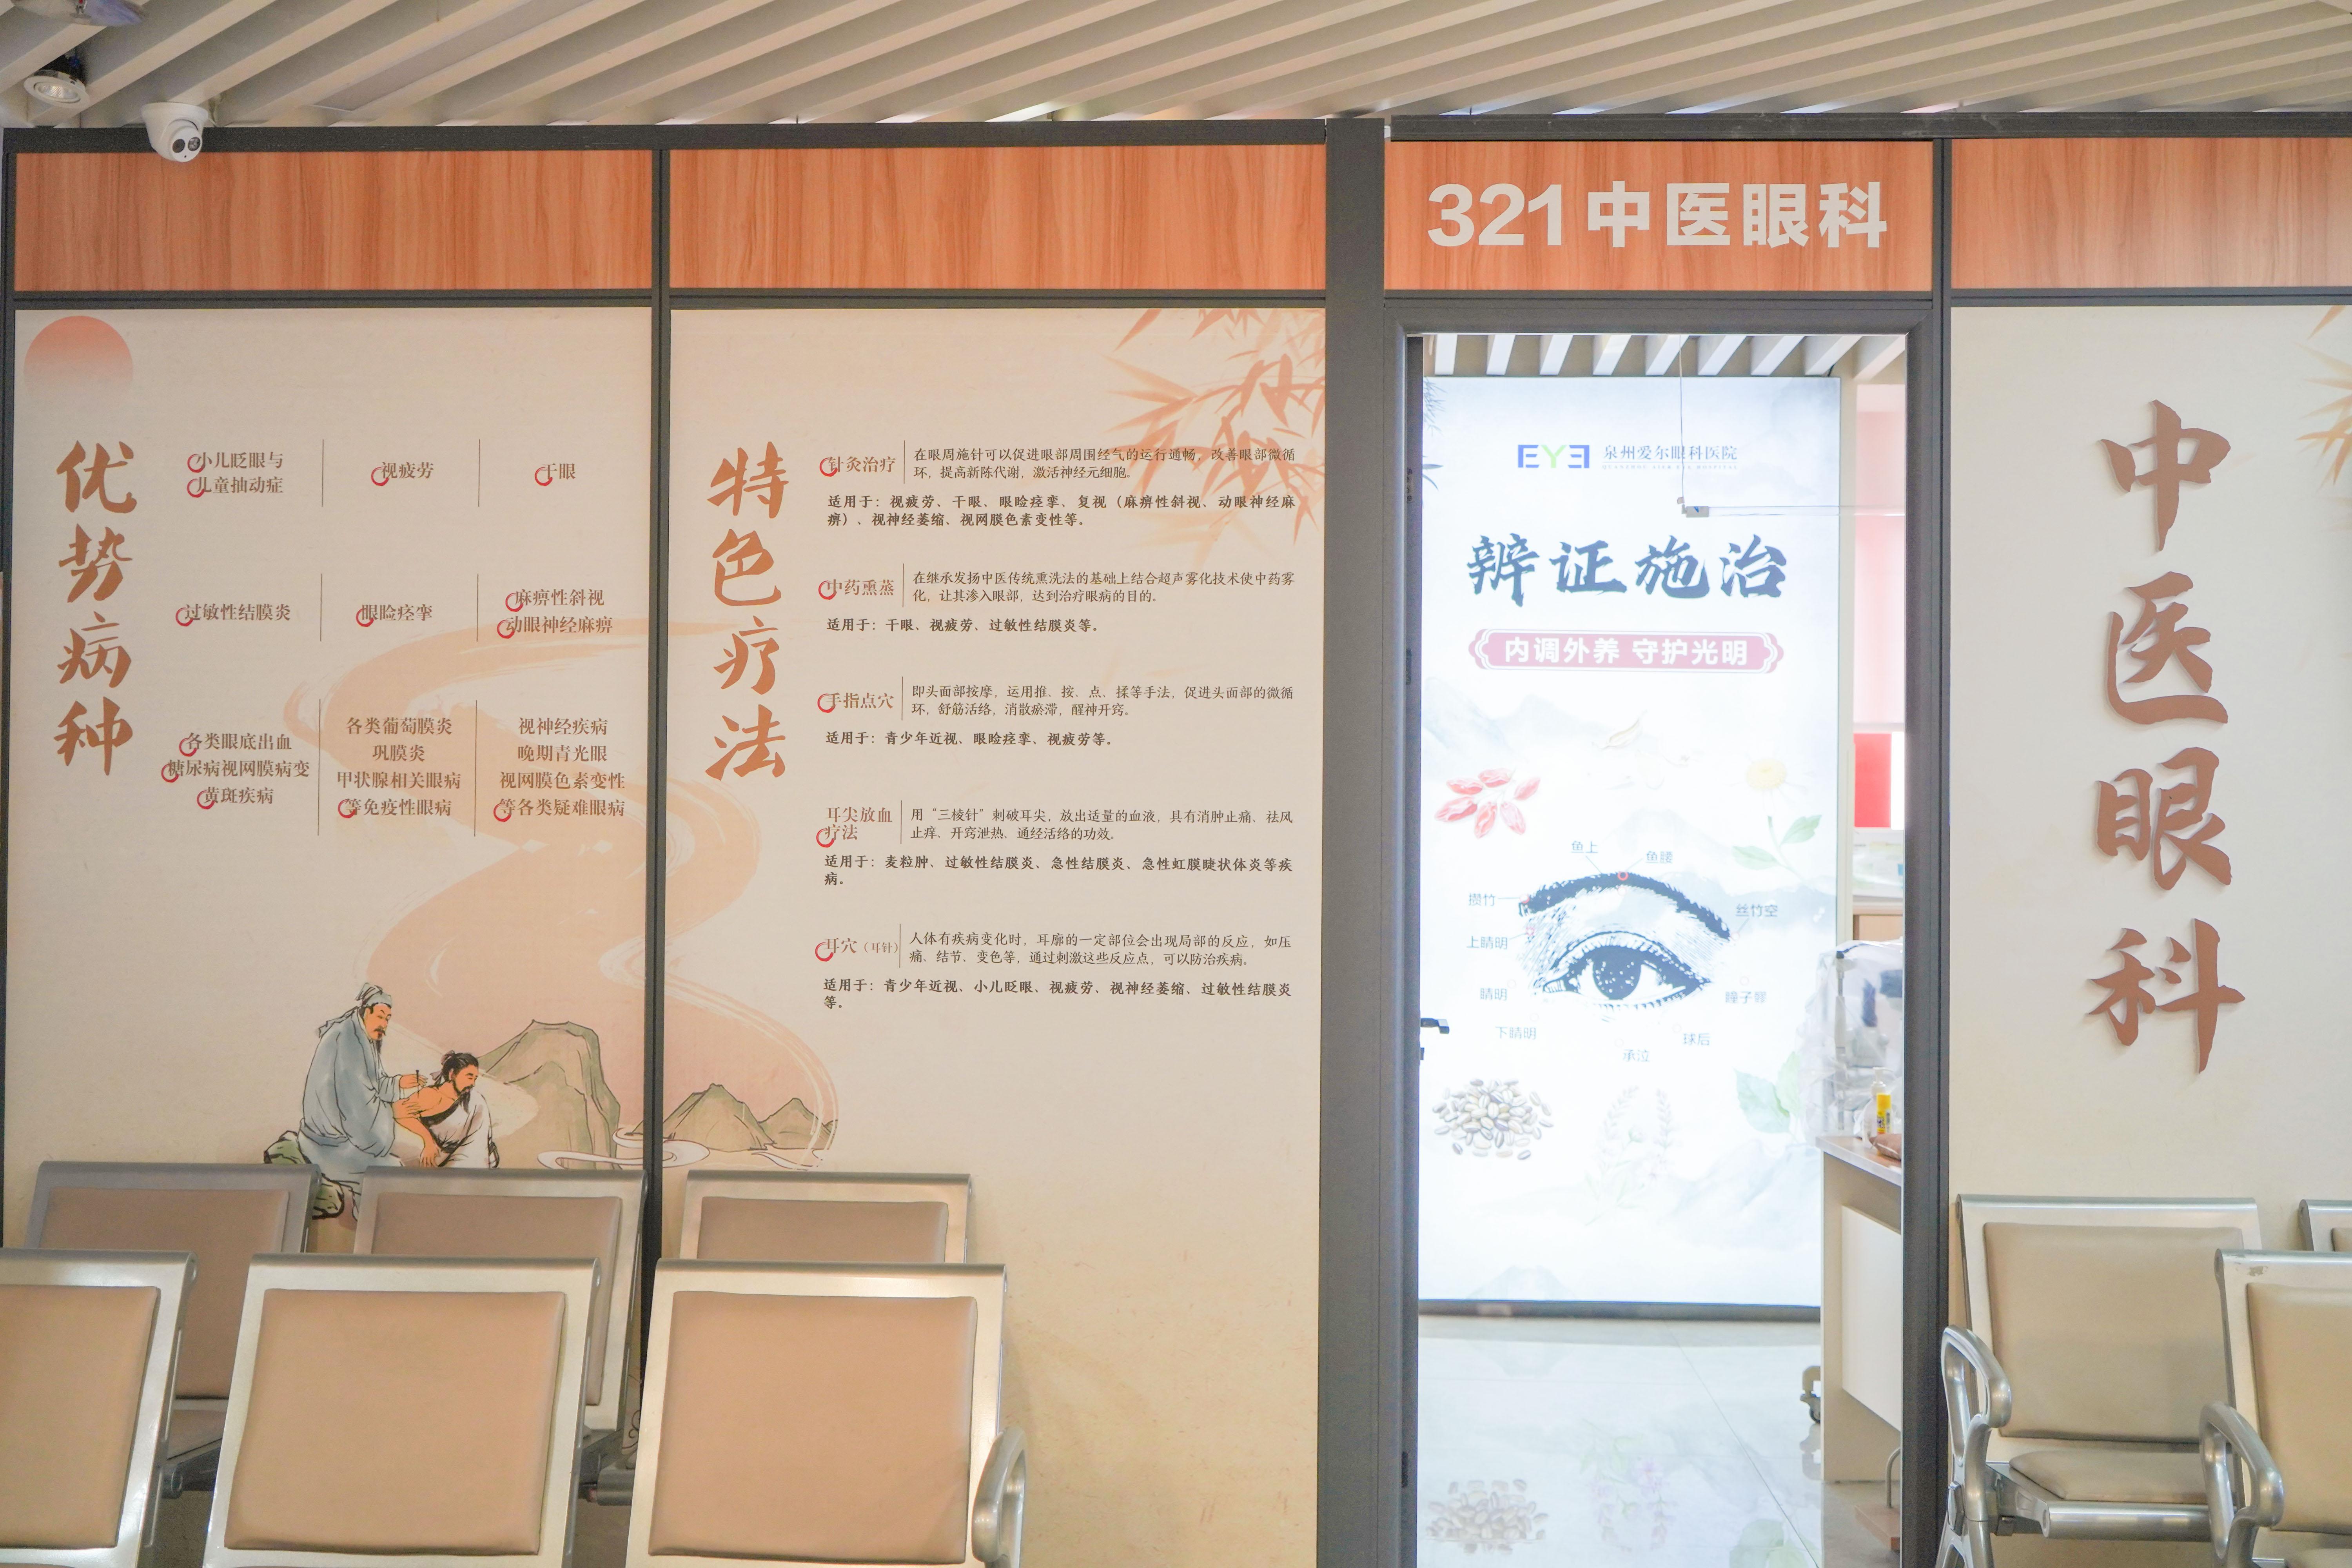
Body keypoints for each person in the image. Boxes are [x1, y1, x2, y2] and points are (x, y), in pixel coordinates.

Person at [295, 984, 419, 1187]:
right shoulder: (348, 1040)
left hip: (341, 1139)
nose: (384, 1024)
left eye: (388, 1019)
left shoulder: (361, 1035)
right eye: (380, 1017)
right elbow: (357, 1107)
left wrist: (398, 1083)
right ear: (366, 1012)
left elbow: (374, 1083)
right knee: (395, 1175)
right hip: (327, 1145)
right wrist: (393, 1111)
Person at [394, 1052, 498, 1168]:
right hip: (437, 1158)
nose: (473, 1084)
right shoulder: (432, 1095)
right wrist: (429, 1142)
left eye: (475, 1079)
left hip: (461, 1156)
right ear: (452, 1074)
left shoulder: (473, 1100)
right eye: (469, 1077)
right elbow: (398, 1111)